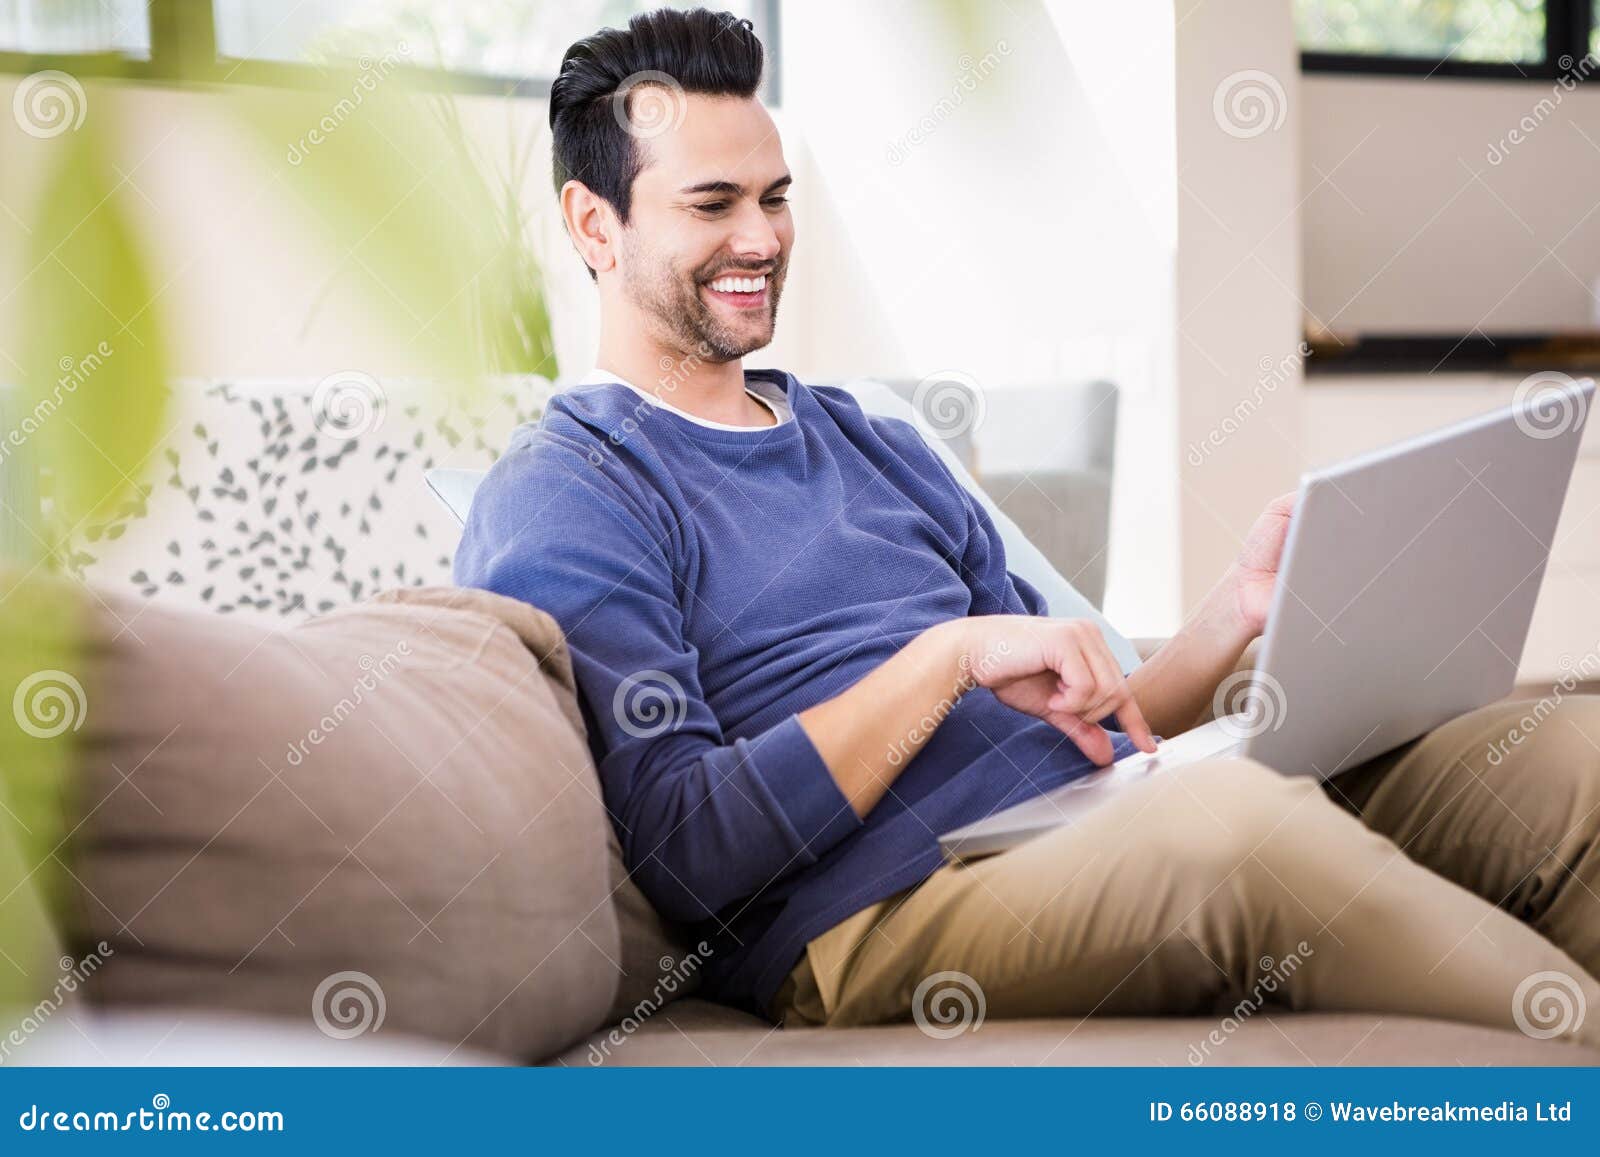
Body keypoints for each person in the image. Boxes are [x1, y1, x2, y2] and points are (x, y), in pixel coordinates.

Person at [454, 7, 1600, 1048]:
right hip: (871, 910)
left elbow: (1096, 714)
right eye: (712, 205)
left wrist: (1234, 617)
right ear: (592, 223)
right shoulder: (570, 487)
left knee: (1563, 758)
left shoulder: (869, 435)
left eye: (776, 195)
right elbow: (689, 851)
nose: (761, 238)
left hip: (1083, 810)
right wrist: (944, 658)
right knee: (1244, 828)